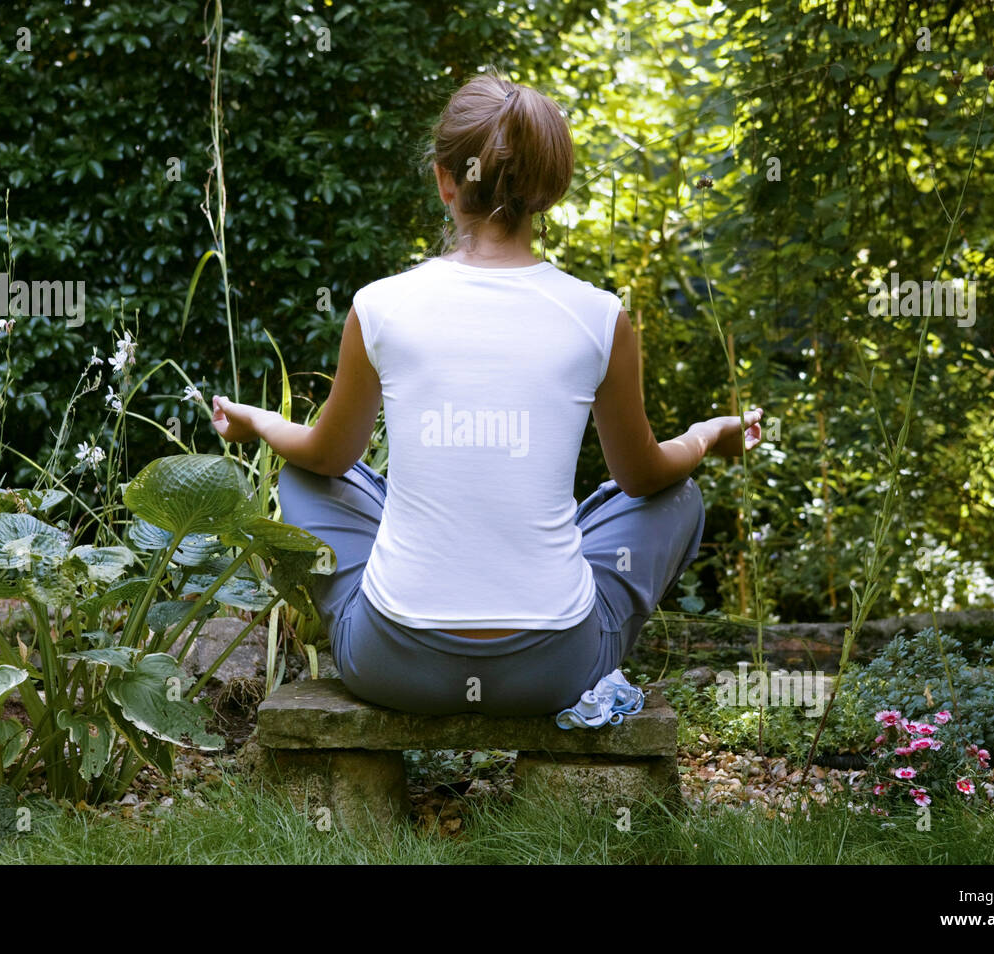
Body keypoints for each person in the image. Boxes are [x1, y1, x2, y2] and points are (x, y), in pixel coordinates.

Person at [211, 69, 763, 717]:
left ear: (445, 180)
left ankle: (395, 615)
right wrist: (706, 436)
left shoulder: (379, 306)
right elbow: (642, 479)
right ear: (548, 192)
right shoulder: (600, 315)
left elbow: (328, 458)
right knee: (679, 496)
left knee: (303, 478)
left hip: (393, 665)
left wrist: (256, 422)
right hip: (553, 669)